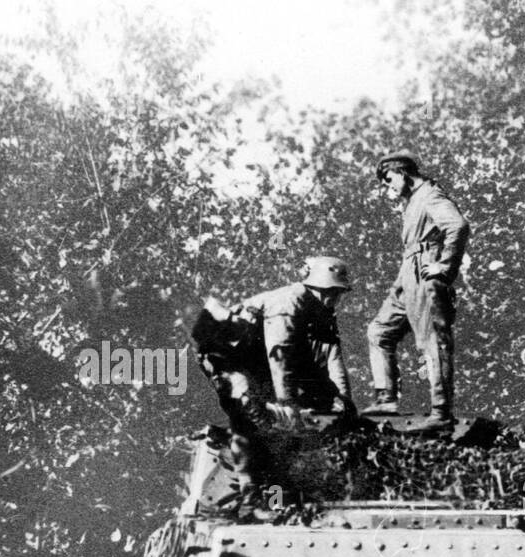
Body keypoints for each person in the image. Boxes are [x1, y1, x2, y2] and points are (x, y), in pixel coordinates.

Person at [364, 151, 470, 432]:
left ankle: (440, 413)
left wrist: (444, 267)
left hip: (425, 271)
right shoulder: (413, 201)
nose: (388, 187)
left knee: (432, 340)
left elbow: (457, 226)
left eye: (389, 180)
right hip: (408, 273)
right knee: (379, 331)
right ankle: (386, 398)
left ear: (402, 172)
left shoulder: (430, 194)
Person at [194, 255, 358, 433]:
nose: (337, 299)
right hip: (225, 359)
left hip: (252, 362)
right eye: (334, 292)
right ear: (321, 287)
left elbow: (320, 359)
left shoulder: (314, 311)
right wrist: (286, 402)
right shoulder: (288, 303)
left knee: (284, 426)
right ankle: (216, 441)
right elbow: (279, 355)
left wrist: (339, 398)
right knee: (255, 416)